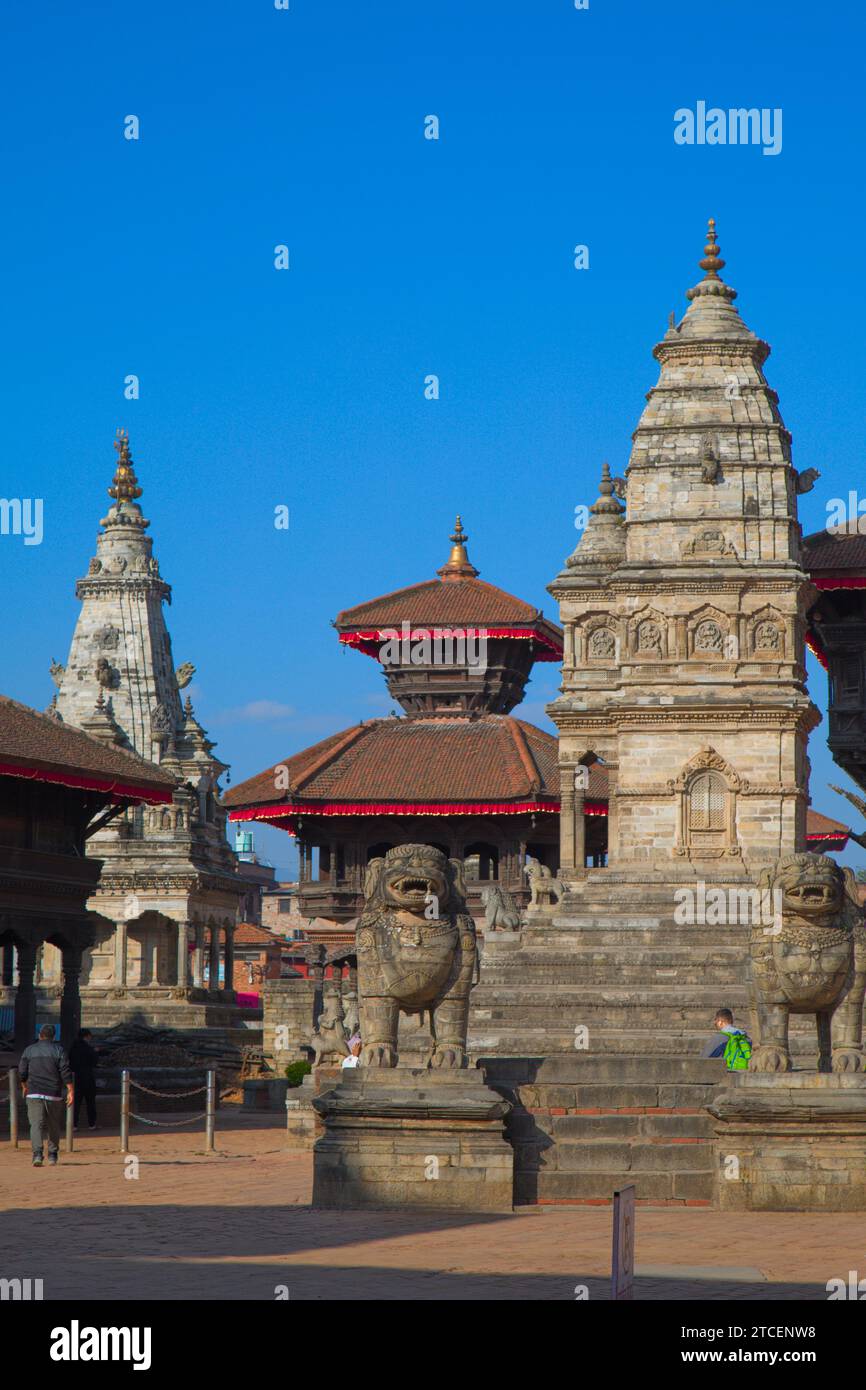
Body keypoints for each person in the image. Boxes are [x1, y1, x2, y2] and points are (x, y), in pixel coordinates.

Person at [18, 1024, 73, 1167]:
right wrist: (70, 1090)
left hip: (34, 1092)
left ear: (40, 1035)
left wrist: (24, 1086)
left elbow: (22, 1071)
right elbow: (65, 1071)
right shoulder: (59, 1050)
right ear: (54, 1036)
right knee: (53, 1125)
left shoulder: (29, 1050)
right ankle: (53, 1155)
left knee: (36, 1125)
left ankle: (37, 1154)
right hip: (53, 1092)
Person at [69, 1027, 99, 1130]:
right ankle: (92, 1124)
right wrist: (95, 1052)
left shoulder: (73, 1048)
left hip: (76, 1078)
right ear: (87, 1036)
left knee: (76, 1103)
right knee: (90, 1102)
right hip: (88, 1078)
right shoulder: (89, 1048)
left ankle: (73, 1124)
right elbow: (94, 1062)